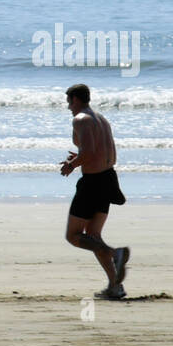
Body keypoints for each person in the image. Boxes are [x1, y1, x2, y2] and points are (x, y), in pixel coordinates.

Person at [60, 83, 130, 299]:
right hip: (108, 178)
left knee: (73, 236)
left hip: (92, 183)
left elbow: (89, 152)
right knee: (93, 235)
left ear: (76, 100)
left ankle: (115, 253)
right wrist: (80, 157)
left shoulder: (81, 119)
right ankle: (115, 286)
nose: (68, 106)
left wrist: (71, 165)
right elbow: (103, 151)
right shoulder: (101, 118)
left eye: (69, 101)